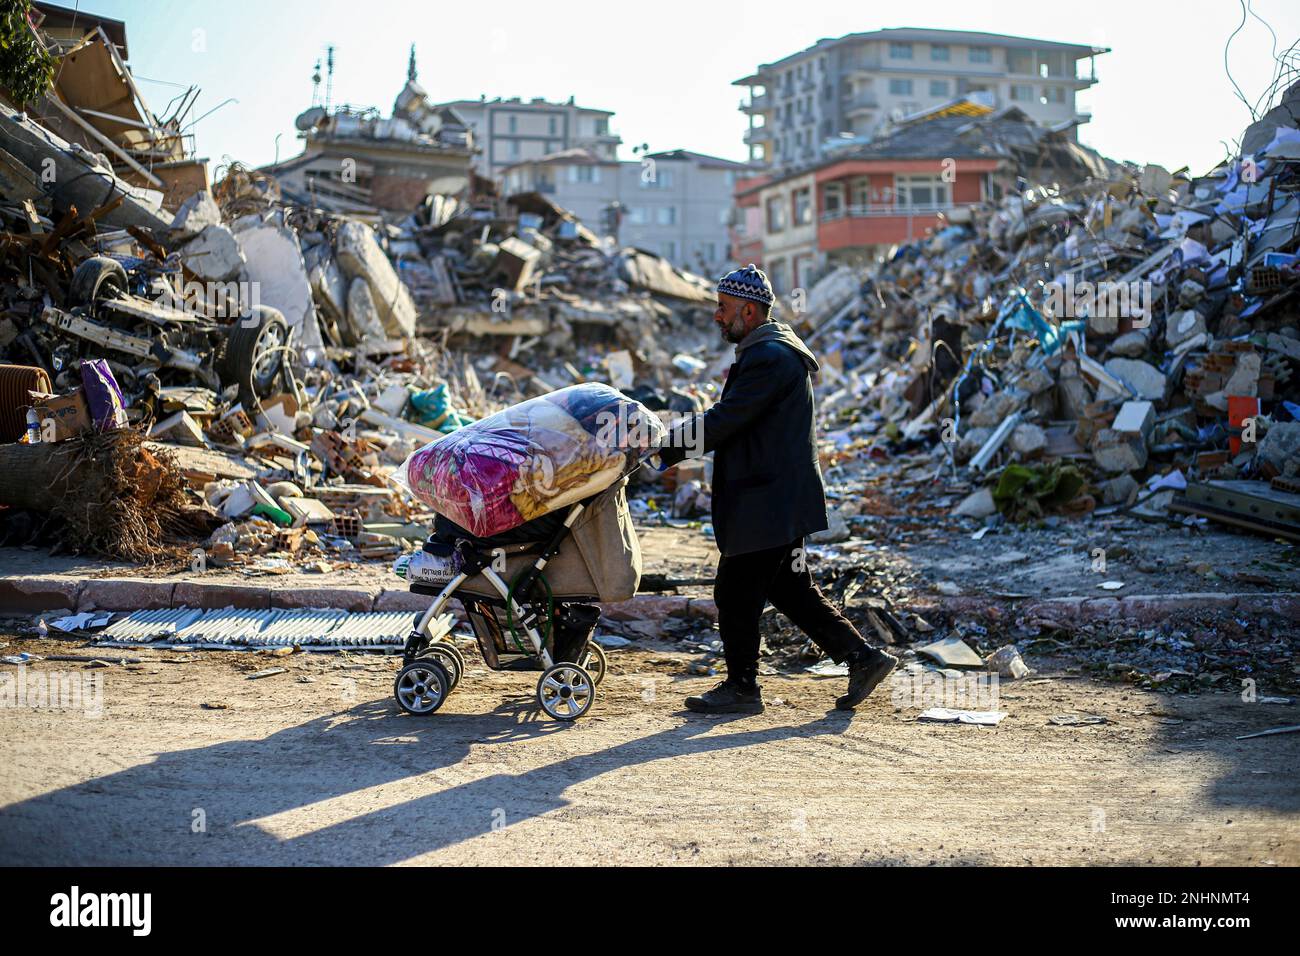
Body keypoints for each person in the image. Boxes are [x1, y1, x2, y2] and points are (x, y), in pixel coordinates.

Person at [658, 264, 897, 714]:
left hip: (768, 499)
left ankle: (742, 688)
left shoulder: (770, 357)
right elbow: (732, 416)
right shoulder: (767, 351)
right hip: (777, 496)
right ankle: (863, 658)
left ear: (749, 311)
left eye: (723, 308)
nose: (716, 316)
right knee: (790, 588)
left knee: (734, 590)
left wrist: (662, 448)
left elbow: (725, 420)